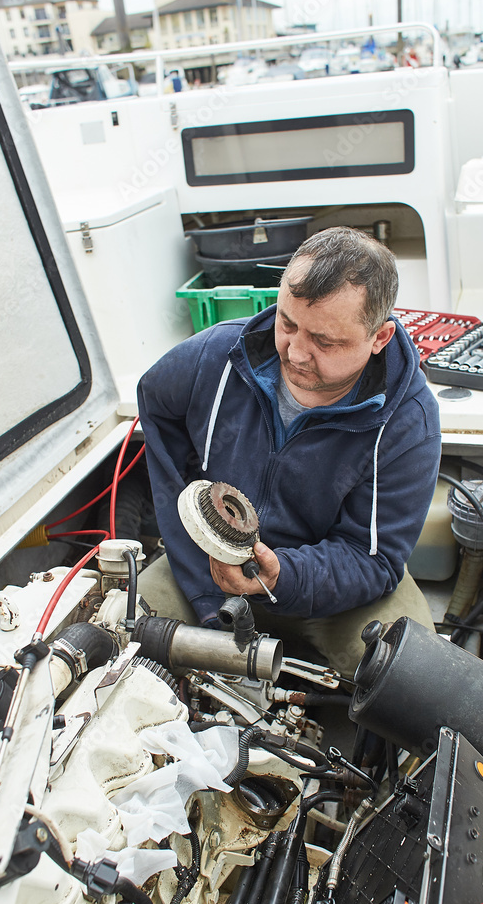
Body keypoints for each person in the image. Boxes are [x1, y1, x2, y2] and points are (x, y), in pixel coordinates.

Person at [137, 227, 441, 677]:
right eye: (287, 323)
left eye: (325, 341)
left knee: (415, 680)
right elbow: (156, 401)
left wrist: (282, 575)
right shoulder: (214, 355)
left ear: (378, 339)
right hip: (204, 567)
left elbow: (370, 558)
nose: (296, 352)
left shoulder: (409, 422)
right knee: (126, 632)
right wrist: (196, 552)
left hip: (334, 587)